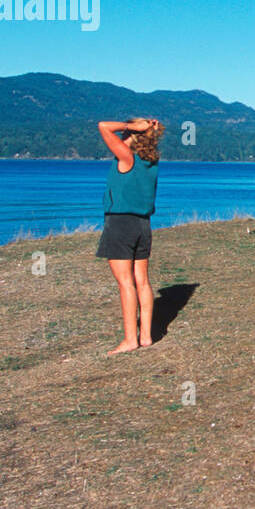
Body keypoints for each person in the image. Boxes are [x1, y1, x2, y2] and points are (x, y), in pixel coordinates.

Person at [95, 117, 163, 356]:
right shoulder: (151, 162)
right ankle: (145, 336)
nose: (122, 135)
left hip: (121, 224)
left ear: (134, 135)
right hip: (143, 225)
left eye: (127, 131)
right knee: (142, 281)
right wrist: (142, 129)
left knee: (126, 283)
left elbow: (103, 126)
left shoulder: (127, 157)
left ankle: (129, 340)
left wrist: (134, 127)